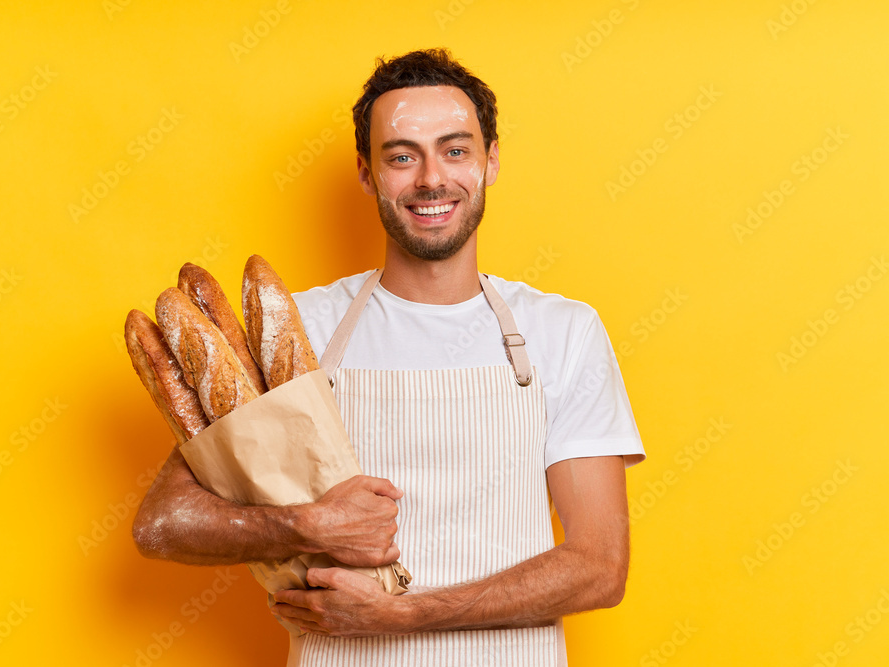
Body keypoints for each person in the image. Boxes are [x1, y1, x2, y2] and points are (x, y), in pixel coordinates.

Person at [133, 48, 645, 666]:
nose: (431, 178)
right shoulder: (303, 329)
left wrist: (399, 614)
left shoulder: (562, 331)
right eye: (402, 156)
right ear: (366, 172)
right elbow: (164, 521)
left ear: (492, 161)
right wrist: (301, 526)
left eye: (455, 150)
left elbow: (598, 567)